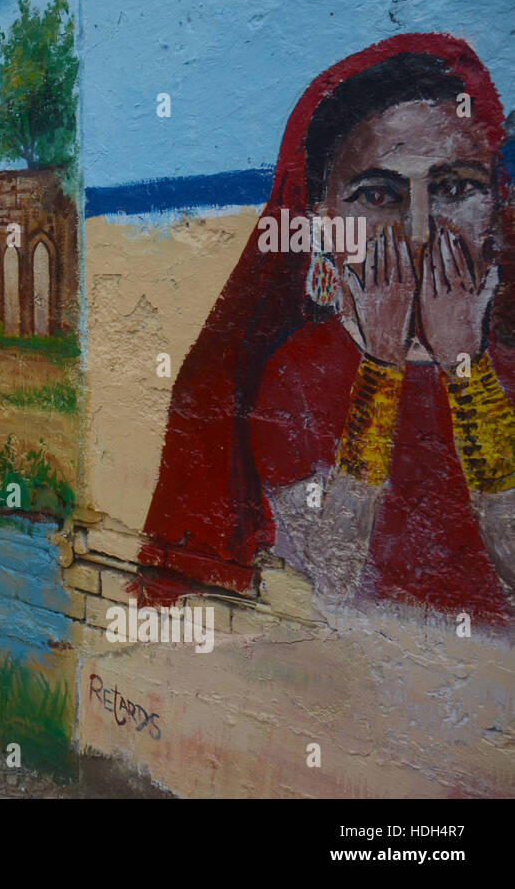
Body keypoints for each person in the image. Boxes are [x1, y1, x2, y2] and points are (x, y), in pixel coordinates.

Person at [140, 33, 515, 625]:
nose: (419, 232)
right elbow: (335, 575)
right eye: (379, 194)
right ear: (322, 223)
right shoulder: (296, 375)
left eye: (454, 188)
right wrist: (382, 372)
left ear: (497, 205)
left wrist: (469, 374)